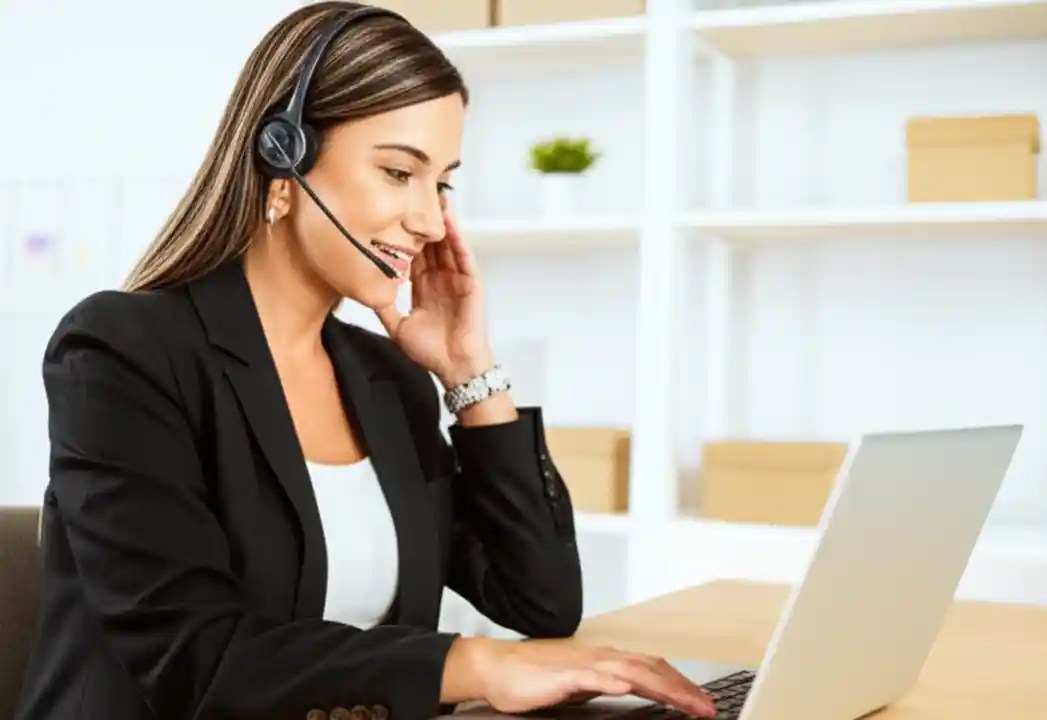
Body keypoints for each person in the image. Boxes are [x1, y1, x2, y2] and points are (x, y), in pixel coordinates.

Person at [15, 3, 718, 719]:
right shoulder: (123, 350)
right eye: (397, 173)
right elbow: (196, 656)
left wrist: (468, 373)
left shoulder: (386, 378)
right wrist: (474, 663)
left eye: (442, 183)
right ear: (282, 157)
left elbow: (539, 599)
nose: (431, 220)